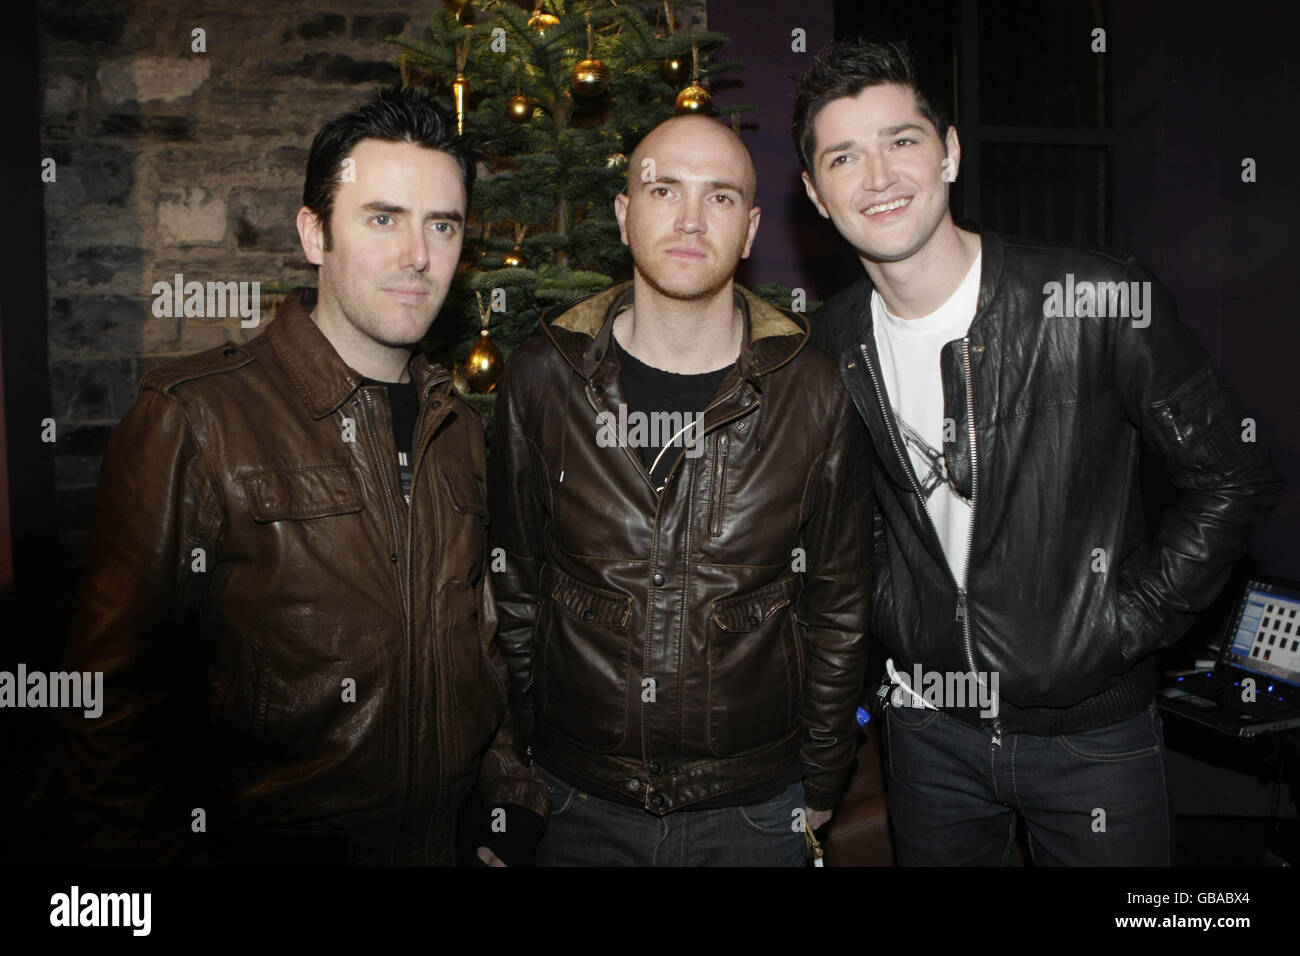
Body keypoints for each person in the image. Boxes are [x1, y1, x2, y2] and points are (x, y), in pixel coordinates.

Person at [796, 39, 1283, 865]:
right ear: (815, 193)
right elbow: (853, 518)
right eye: (845, 156)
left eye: (902, 140)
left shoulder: (1095, 300)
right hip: (927, 731)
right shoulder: (826, 344)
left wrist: (1123, 625)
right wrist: (898, 617)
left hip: (1092, 733)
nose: (877, 177)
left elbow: (1235, 476)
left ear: (949, 152)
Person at [60, 88, 546, 866]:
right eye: (382, 218)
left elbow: (478, 646)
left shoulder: (453, 426)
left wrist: (507, 801)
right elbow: (113, 710)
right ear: (314, 233)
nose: (418, 255)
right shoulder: (194, 418)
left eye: (442, 225)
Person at [488, 114, 871, 867]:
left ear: (752, 227)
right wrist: (525, 762)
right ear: (626, 214)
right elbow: (513, 590)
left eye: (721, 198)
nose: (691, 219)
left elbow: (839, 603)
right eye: (665, 190)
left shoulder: (815, 392)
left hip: (754, 808)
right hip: (575, 801)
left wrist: (822, 775)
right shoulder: (540, 379)